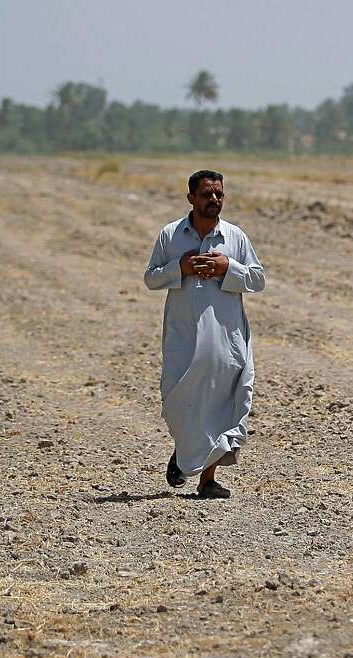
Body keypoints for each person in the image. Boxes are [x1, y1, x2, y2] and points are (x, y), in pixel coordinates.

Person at [144, 170, 266, 499]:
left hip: (226, 338)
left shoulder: (235, 237)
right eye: (207, 194)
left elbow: (257, 280)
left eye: (219, 194)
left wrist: (228, 268)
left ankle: (207, 479)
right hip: (183, 336)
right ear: (191, 199)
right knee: (178, 399)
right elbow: (151, 278)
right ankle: (185, 453)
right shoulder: (170, 235)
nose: (214, 199)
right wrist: (180, 268)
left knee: (221, 402)